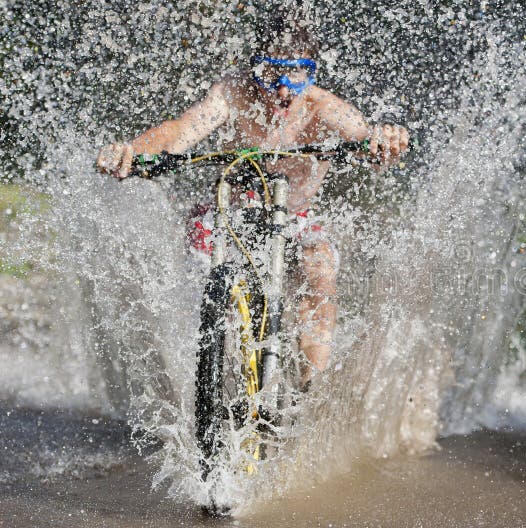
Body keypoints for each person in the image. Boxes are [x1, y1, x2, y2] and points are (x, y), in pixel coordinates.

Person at [96, 17, 410, 387]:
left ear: (310, 72)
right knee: (202, 273)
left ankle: (309, 389)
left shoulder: (323, 107)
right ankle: (215, 377)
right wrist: (133, 150)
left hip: (294, 217)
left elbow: (365, 135)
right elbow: (180, 131)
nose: (282, 89)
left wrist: (385, 139)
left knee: (319, 270)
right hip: (228, 215)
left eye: (295, 75)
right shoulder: (232, 93)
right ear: (254, 67)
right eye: (270, 74)